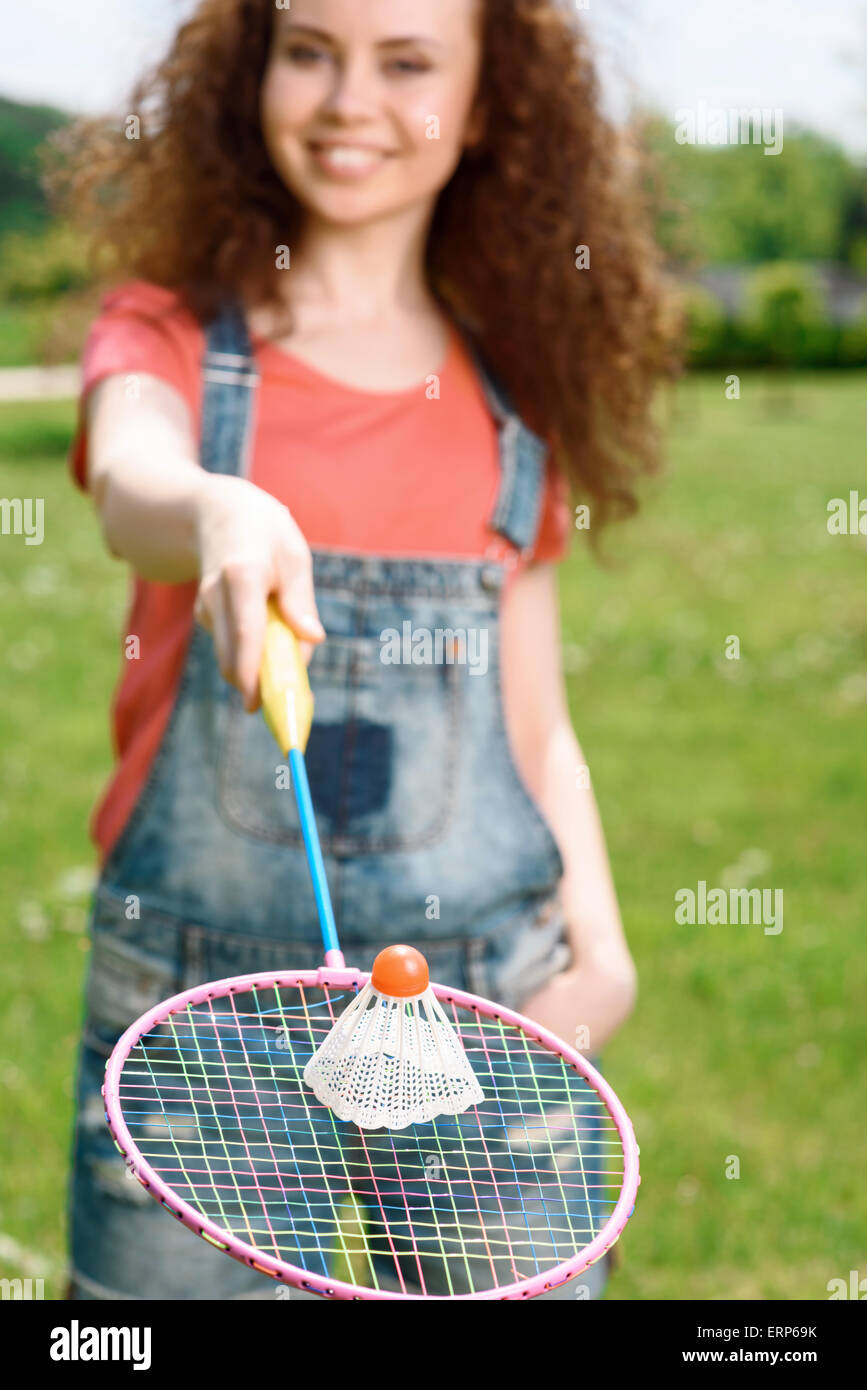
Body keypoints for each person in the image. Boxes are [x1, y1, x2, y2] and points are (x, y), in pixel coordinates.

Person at [58, 0, 674, 1300]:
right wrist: (217, 508)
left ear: (491, 100)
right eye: (310, 49)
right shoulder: (172, 334)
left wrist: (603, 951)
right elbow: (130, 479)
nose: (350, 100)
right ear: (254, 68)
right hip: (197, 1004)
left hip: (477, 995)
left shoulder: (511, 403)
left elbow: (537, 724)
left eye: (406, 63)